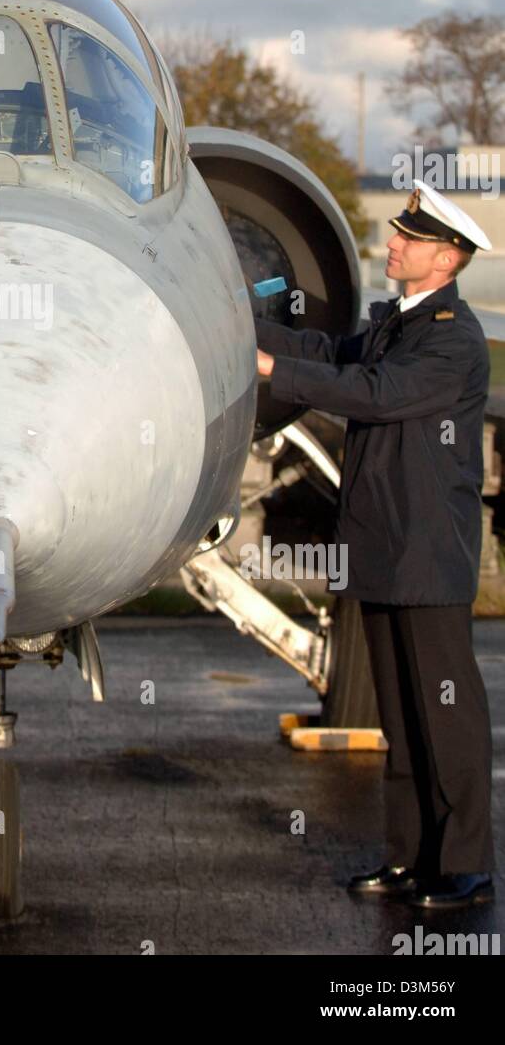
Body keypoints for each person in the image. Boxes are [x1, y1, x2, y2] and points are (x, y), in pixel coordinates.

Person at [255, 179, 496, 909]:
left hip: (425, 553)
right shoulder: (400, 320)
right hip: (384, 548)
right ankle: (409, 856)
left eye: (409, 239)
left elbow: (376, 392)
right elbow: (330, 349)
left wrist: (272, 372)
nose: (391, 244)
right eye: (396, 234)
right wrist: (246, 325)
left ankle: (464, 864)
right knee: (397, 715)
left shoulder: (451, 336)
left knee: (444, 715)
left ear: (446, 259)